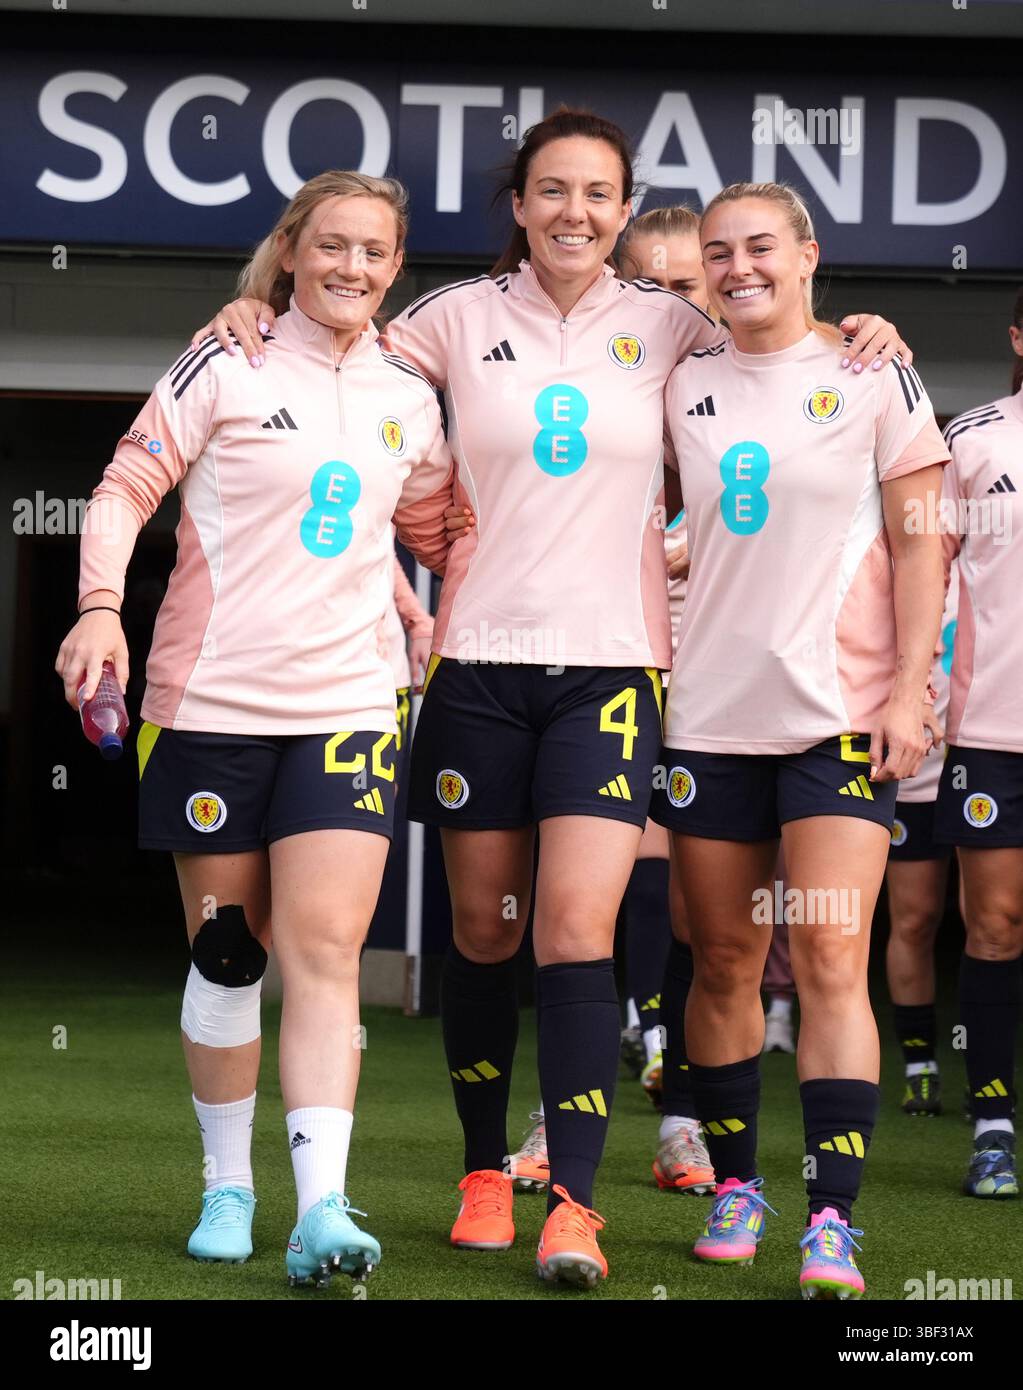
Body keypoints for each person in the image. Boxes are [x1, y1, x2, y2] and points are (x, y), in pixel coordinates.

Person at [189, 109, 913, 1289]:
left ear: (625, 212)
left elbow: (779, 344)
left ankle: (576, 1202)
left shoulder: (673, 326)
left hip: (615, 673)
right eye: (552, 191)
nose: (576, 211)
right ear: (519, 206)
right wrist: (252, 316)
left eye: (599, 194)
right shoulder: (446, 321)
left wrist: (862, 331)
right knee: (488, 931)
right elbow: (337, 344)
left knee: (579, 929)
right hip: (476, 670)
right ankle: (486, 1171)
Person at [55, 171, 453, 1290]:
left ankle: (320, 1206)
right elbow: (126, 485)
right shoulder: (223, 357)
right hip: (212, 703)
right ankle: (227, 1185)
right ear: (290, 250)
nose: (355, 269)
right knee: (231, 951)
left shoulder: (410, 394)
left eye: (376, 253)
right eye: (333, 246)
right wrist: (97, 606)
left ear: (394, 265)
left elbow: (431, 524)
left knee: (325, 950)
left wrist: (423, 602)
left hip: (350, 709)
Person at [652, 180, 948, 1300]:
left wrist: (912, 690)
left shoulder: (874, 372)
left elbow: (924, 544)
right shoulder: (681, 380)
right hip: (712, 718)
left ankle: (831, 1216)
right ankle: (737, 1185)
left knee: (829, 954)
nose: (738, 268)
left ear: (809, 254)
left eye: (760, 247)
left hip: (838, 715)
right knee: (723, 957)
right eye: (718, 253)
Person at [933, 286, 1023, 1198]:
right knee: (992, 927)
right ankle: (992, 1125)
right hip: (994, 734)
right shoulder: (976, 438)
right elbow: (925, 577)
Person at [885, 567, 958, 1116]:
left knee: (996, 923)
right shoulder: (905, 549)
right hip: (920, 767)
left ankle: (987, 1076)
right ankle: (920, 1066)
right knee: (914, 918)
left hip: (990, 755)